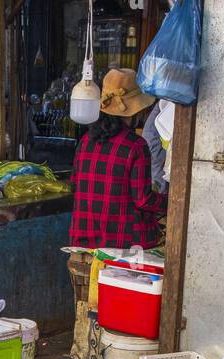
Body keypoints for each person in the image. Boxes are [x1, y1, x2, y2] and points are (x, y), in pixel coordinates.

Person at [69, 69, 167, 251]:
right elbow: (143, 199)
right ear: (136, 110)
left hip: (84, 241)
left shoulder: (85, 142)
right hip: (124, 245)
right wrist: (169, 202)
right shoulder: (136, 145)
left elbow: (74, 185)